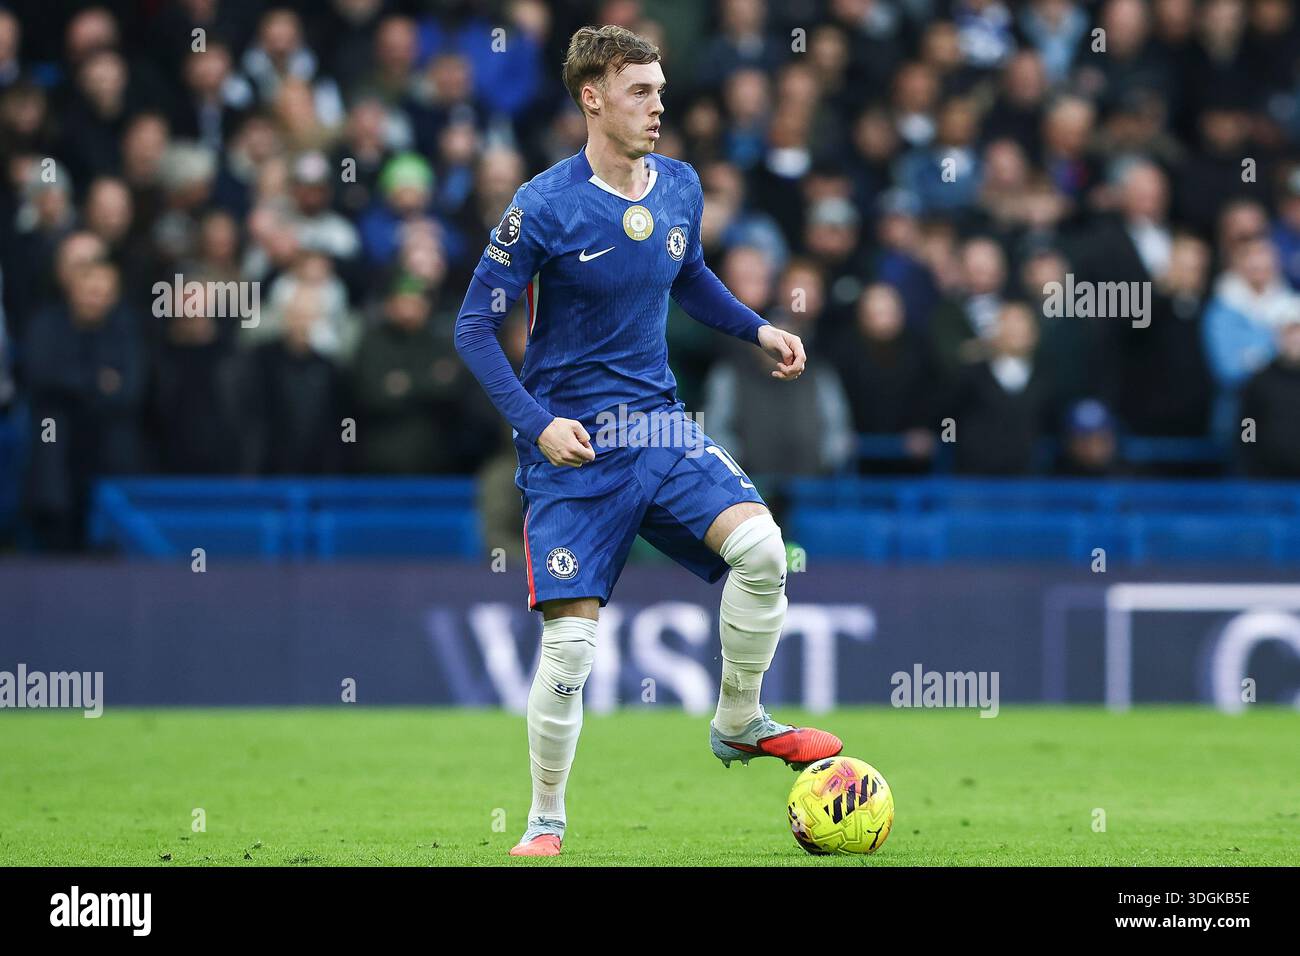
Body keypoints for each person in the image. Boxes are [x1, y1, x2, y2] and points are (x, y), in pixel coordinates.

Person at [454, 25, 843, 858]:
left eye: (661, 89)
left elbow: (688, 273)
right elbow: (473, 328)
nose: (659, 105)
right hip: (575, 447)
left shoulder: (681, 185)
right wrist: (537, 423)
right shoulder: (543, 205)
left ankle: (738, 721)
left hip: (658, 424)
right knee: (572, 644)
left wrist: (757, 329)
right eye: (640, 90)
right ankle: (546, 819)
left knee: (766, 552)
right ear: (592, 97)